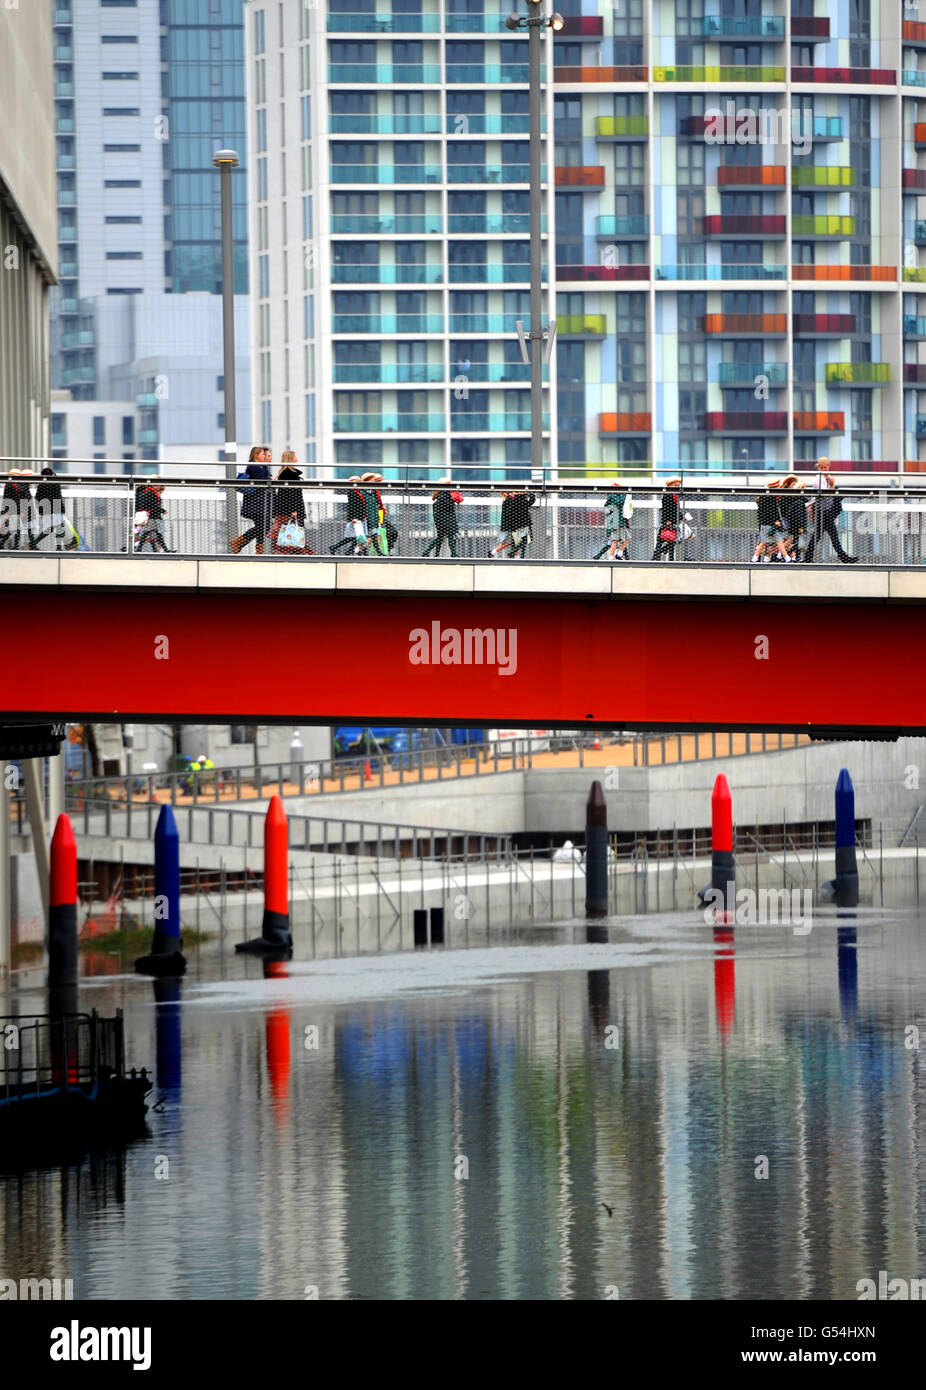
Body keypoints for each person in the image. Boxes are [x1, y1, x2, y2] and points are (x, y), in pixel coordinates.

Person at [804, 455, 857, 563]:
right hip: (822, 511)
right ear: (819, 467)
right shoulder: (818, 479)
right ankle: (843, 557)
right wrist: (832, 486)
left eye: (825, 467)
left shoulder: (827, 477)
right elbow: (824, 494)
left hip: (825, 511)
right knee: (832, 535)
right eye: (822, 467)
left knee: (818, 536)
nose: (824, 469)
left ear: (828, 466)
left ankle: (807, 557)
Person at [230, 445, 273, 554]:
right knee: (264, 526)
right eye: (263, 454)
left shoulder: (261, 467)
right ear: (256, 455)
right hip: (255, 504)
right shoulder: (254, 466)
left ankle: (255, 548)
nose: (264, 456)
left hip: (260, 504)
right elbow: (260, 480)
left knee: (263, 526)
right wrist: (270, 479)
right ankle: (239, 542)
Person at [270, 455, 310, 554]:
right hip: (290, 510)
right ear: (291, 459)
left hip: (283, 509)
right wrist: (294, 510)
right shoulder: (290, 473)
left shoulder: (283, 473)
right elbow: (292, 493)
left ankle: (281, 552)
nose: (297, 458)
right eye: (295, 456)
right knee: (296, 533)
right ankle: (304, 553)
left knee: (282, 532)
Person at [30, 466, 75, 550]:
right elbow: (58, 497)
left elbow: (37, 498)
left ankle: (34, 543)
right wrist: (63, 509)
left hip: (46, 510)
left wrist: (40, 510)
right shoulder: (56, 483)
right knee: (58, 528)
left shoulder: (41, 485)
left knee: (50, 529)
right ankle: (58, 547)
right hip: (56, 509)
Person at [751, 479, 791, 563]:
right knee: (771, 542)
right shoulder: (770, 498)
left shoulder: (764, 497)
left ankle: (755, 559)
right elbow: (771, 512)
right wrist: (775, 521)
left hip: (766, 524)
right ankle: (787, 558)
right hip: (770, 524)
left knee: (766, 542)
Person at [423, 477, 462, 557]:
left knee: (441, 537)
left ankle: (428, 552)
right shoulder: (445, 495)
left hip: (441, 520)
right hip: (447, 520)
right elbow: (450, 504)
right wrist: (455, 498)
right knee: (451, 535)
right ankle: (453, 553)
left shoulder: (440, 496)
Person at [330, 475, 369, 554]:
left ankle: (348, 551)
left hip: (360, 517)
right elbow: (352, 505)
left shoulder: (358, 492)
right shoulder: (352, 492)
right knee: (352, 537)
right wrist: (354, 517)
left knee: (356, 536)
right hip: (356, 518)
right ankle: (336, 547)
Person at [594, 481, 632, 561]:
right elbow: (619, 503)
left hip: (620, 522)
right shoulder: (615, 496)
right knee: (615, 541)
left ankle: (618, 554)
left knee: (625, 538)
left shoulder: (617, 496)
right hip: (616, 522)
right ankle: (612, 557)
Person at [0, 469, 35, 550]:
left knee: (13, 528)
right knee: (16, 529)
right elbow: (21, 499)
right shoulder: (14, 485)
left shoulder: (12, 484)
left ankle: (11, 545)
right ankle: (16, 546)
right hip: (16, 510)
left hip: (15, 510)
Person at [134, 479, 171, 553]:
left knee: (153, 534)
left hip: (152, 516)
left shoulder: (148, 492)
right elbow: (152, 505)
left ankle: (159, 549)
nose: (158, 487)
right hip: (152, 516)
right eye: (157, 485)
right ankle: (138, 548)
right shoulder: (150, 493)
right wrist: (163, 511)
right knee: (150, 533)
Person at [652, 476, 682, 561]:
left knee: (671, 541)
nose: (677, 486)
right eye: (676, 485)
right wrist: (668, 520)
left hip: (673, 520)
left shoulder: (675, 496)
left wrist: (681, 517)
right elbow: (666, 508)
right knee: (662, 539)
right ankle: (657, 555)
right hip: (667, 521)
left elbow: (675, 509)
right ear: (671, 485)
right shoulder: (668, 495)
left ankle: (662, 557)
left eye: (678, 485)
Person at [779, 475, 807, 562]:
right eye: (793, 484)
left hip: (792, 520)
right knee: (789, 540)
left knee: (792, 540)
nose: (794, 486)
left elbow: (805, 499)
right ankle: (781, 556)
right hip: (787, 520)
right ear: (788, 485)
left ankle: (792, 557)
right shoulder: (787, 495)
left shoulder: (795, 496)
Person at [509, 488, 536, 558]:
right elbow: (532, 501)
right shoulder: (524, 502)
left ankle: (516, 553)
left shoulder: (513, 502)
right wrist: (532, 493)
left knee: (516, 540)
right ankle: (515, 552)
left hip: (515, 523)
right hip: (525, 523)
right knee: (527, 538)